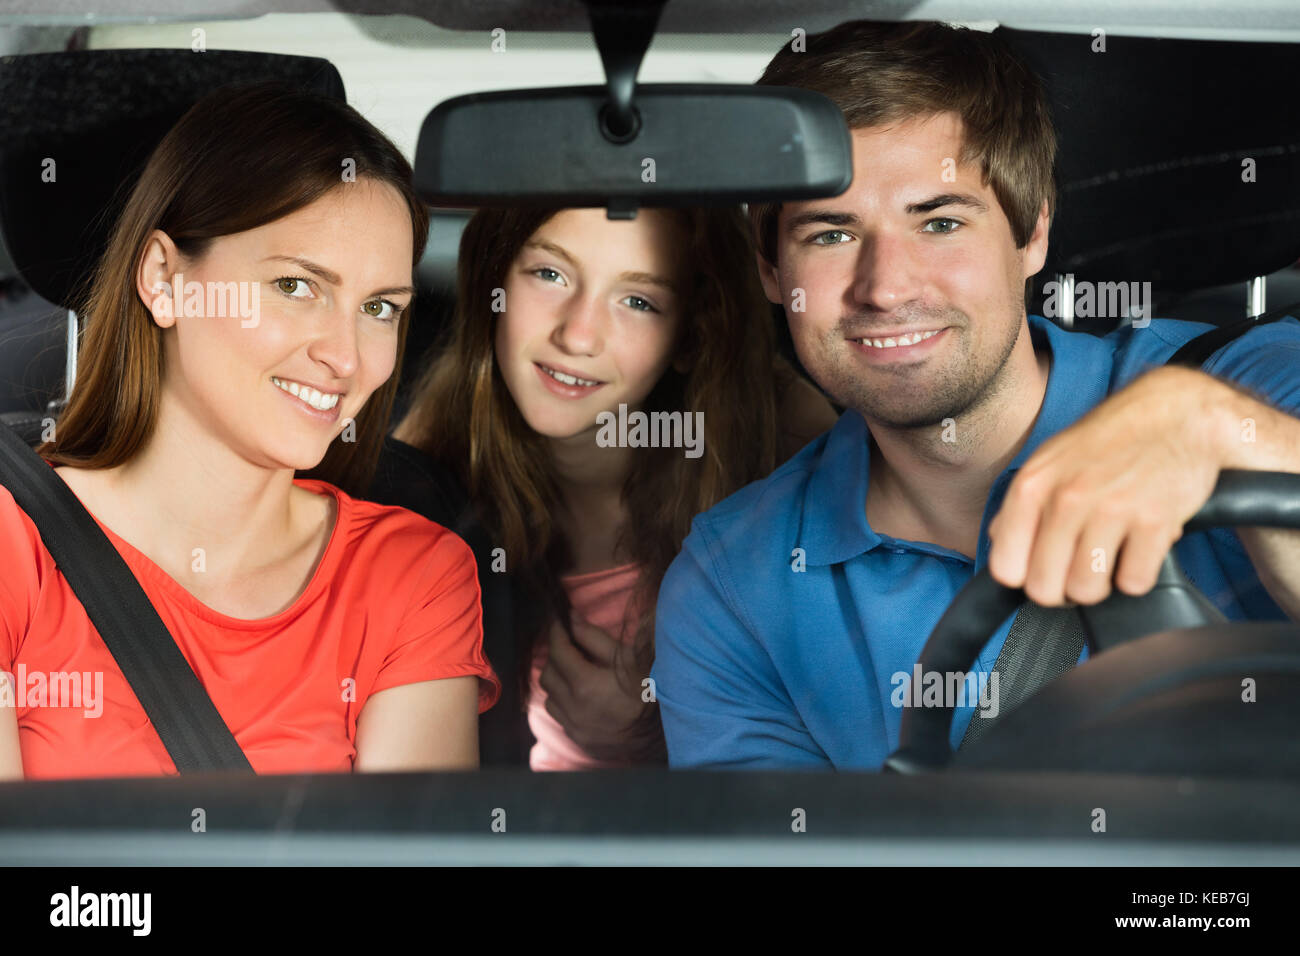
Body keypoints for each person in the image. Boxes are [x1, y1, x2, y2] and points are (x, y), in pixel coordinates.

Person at [651, 20, 1300, 769]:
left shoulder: (1253, 383)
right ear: (771, 271)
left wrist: (1220, 431)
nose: (886, 287)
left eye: (941, 221)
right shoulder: (734, 587)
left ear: (1033, 236)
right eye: (831, 234)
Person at [0, 83, 500, 780]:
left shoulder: (410, 576)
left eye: (380, 308)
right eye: (296, 287)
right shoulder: (12, 548)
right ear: (164, 279)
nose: (347, 357)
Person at [370, 205, 837, 769]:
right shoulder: (435, 451)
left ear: (689, 337)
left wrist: (656, 734)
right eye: (550, 275)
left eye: (638, 302)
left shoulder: (783, 448)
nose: (578, 335)